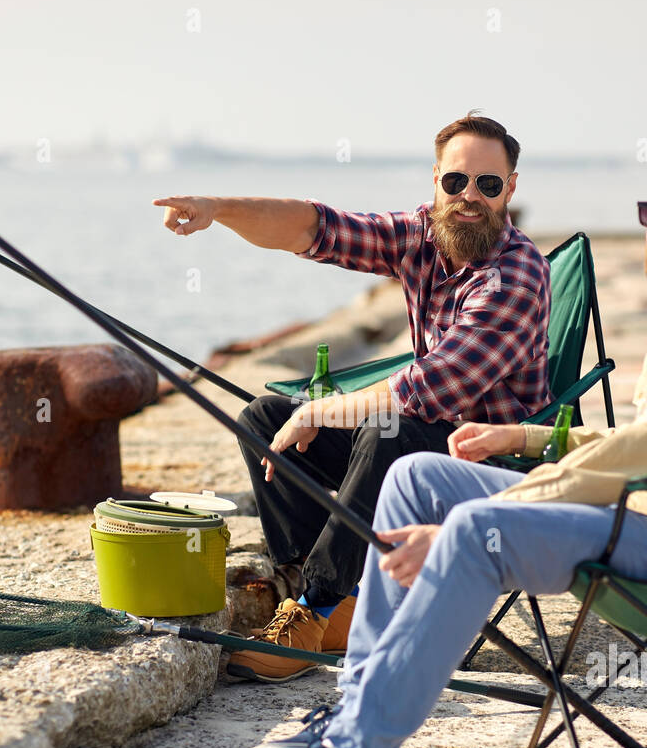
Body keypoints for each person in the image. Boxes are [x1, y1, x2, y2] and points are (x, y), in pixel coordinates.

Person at [225, 139, 647, 748]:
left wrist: (464, 527)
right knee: (417, 476)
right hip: (646, 507)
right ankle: (360, 709)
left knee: (472, 529)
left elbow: (636, 456)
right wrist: (529, 437)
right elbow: (645, 441)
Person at [154, 113, 552, 683]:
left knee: (389, 429)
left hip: (491, 467)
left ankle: (315, 605)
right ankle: (320, 603)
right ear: (435, 180)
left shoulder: (516, 276)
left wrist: (319, 410)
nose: (469, 197)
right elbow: (317, 228)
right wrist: (219, 209)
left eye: (488, 185)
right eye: (455, 182)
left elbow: (433, 387)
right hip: (424, 445)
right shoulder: (422, 237)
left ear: (510, 189)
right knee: (265, 418)